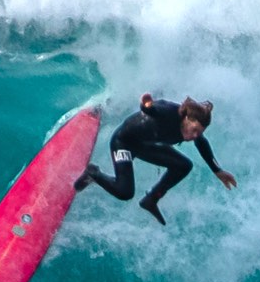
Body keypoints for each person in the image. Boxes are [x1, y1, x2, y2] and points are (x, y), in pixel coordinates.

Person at [80, 94, 236, 220]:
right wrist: (146, 104)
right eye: (194, 130)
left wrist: (217, 170)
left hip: (145, 146)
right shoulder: (169, 113)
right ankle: (93, 173)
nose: (194, 135)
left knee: (184, 165)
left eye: (199, 132)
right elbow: (153, 109)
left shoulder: (193, 131)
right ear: (187, 119)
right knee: (124, 192)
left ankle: (151, 200)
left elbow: (201, 143)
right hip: (124, 143)